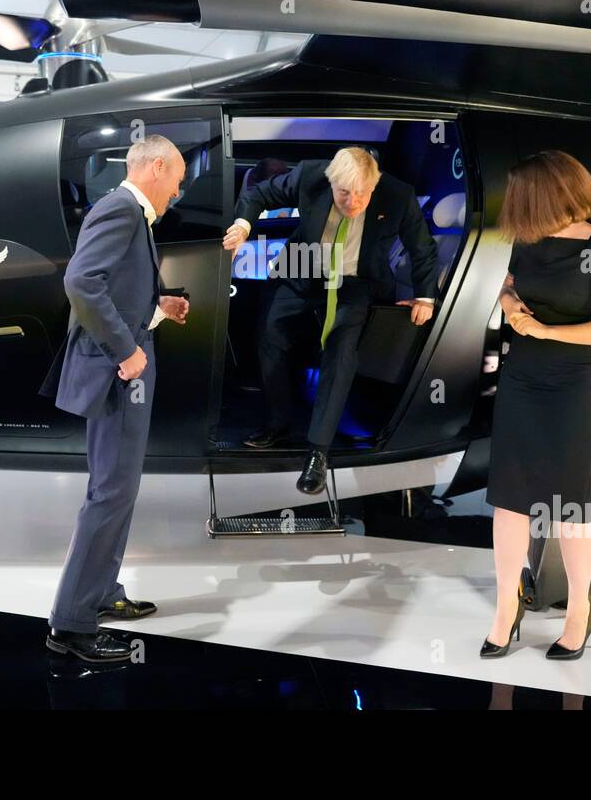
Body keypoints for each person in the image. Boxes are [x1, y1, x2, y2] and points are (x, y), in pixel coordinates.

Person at [38, 134, 190, 663]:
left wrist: (159, 305)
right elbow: (82, 282)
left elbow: (114, 289)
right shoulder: (121, 209)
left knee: (118, 490)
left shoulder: (131, 213)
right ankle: (70, 625)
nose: (178, 190)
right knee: (110, 493)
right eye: (177, 179)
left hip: (123, 372)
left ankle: (101, 594)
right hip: (117, 373)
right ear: (156, 166)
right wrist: (126, 350)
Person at [482, 150, 591, 662]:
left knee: (570, 504)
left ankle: (578, 612)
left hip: (575, 383)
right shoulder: (527, 240)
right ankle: (506, 609)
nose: (514, 205)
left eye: (521, 195)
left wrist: (548, 331)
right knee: (509, 499)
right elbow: (508, 287)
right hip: (523, 377)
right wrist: (511, 306)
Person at [222, 147, 439, 495]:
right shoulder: (309, 175)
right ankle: (278, 424)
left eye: (361, 194)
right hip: (301, 266)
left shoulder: (398, 195)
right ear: (331, 182)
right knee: (269, 335)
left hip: (356, 280)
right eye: (344, 193)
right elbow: (258, 193)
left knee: (341, 353)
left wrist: (426, 297)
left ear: (375, 184)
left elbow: (422, 247)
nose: (353, 202)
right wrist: (243, 225)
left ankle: (318, 451)